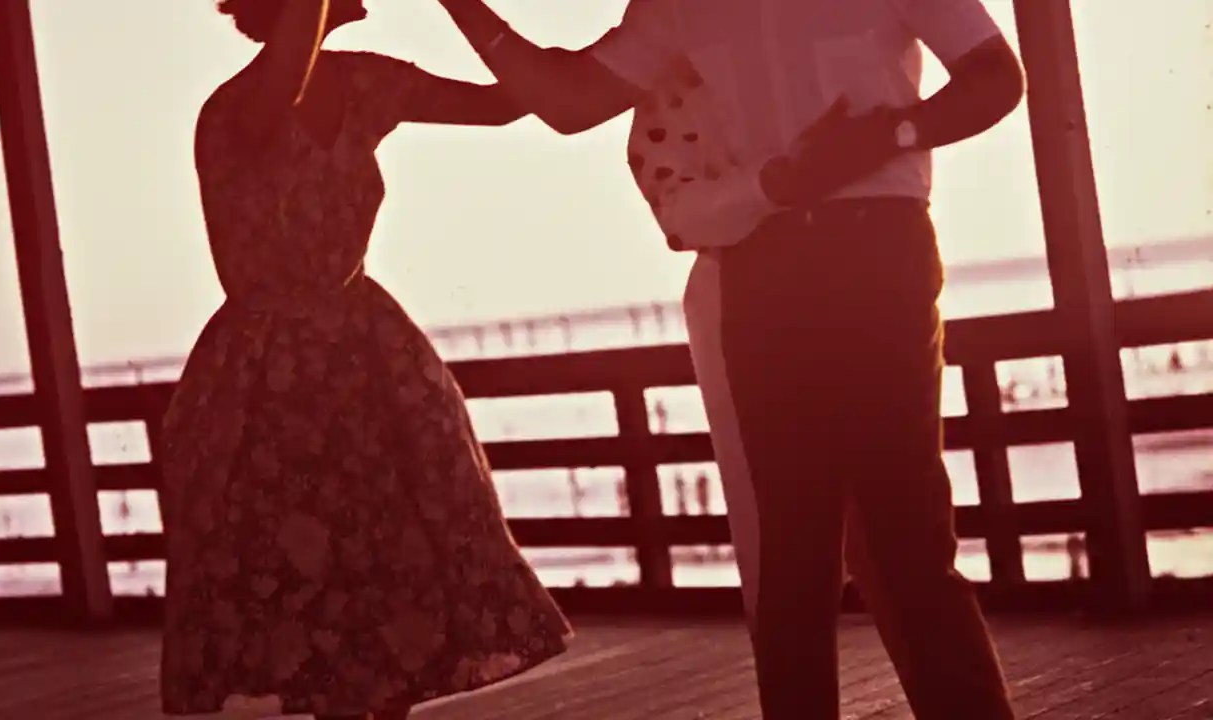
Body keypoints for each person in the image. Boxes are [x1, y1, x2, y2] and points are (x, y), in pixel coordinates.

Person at [434, 0, 1026, 718]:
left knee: (907, 536)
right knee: (792, 549)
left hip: (876, 246)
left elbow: (997, 76)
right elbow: (567, 101)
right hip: (764, 260)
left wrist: (894, 133)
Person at [158, 1, 571, 717]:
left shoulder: (366, 83)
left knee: (389, 584)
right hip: (271, 379)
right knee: (320, 596)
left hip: (367, 362)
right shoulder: (238, 109)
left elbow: (512, 105)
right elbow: (286, 76)